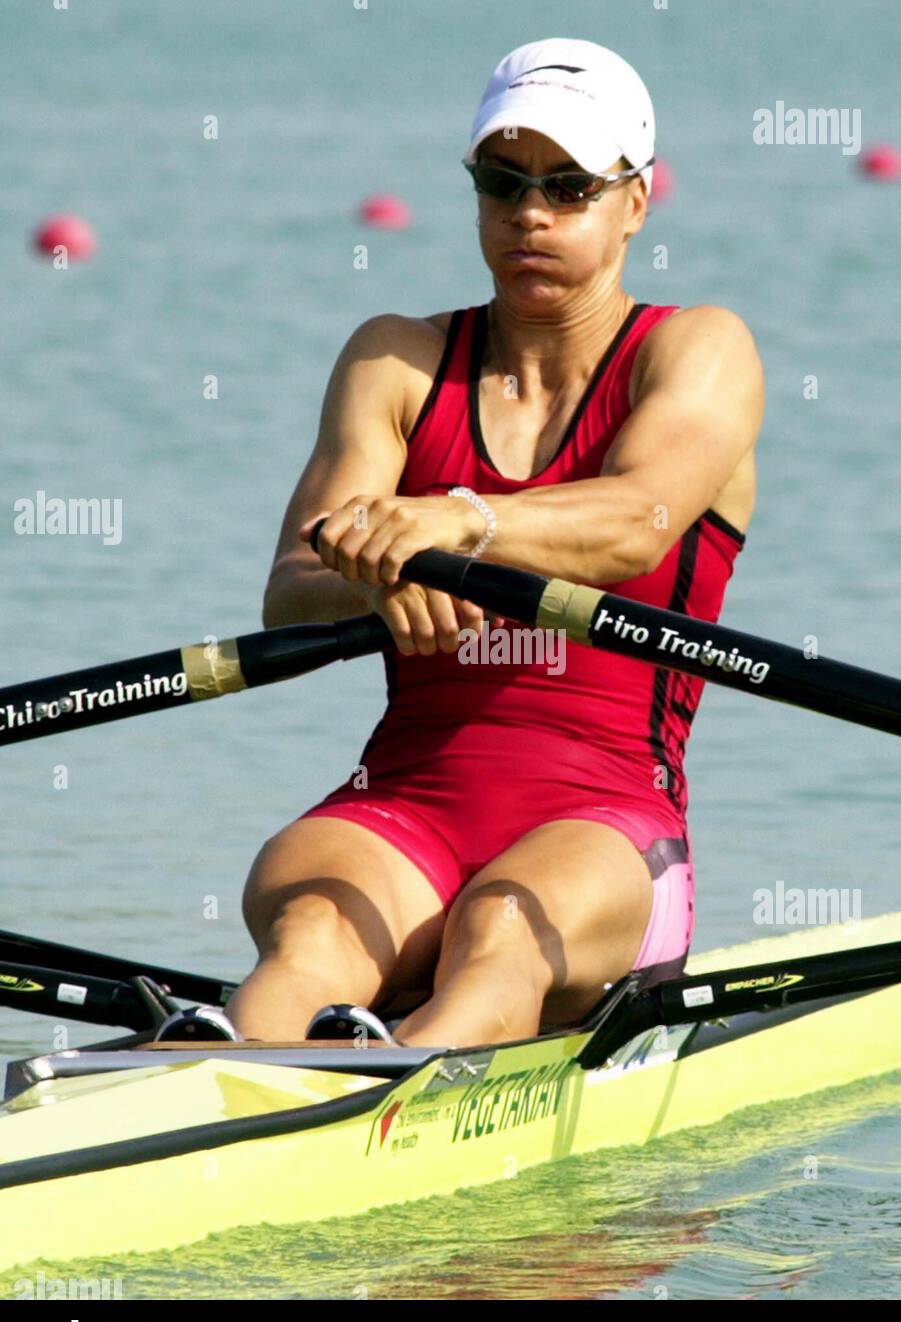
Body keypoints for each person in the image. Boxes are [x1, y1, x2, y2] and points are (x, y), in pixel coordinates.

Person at [225, 37, 763, 1047]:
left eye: (569, 187)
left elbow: (635, 519)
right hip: (406, 800)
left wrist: (459, 520)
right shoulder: (396, 359)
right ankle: (187, 1103)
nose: (530, 214)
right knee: (308, 935)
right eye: (502, 182)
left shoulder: (698, 349)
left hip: (607, 824)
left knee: (503, 927)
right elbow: (291, 587)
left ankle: (380, 1104)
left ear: (635, 202)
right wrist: (374, 585)